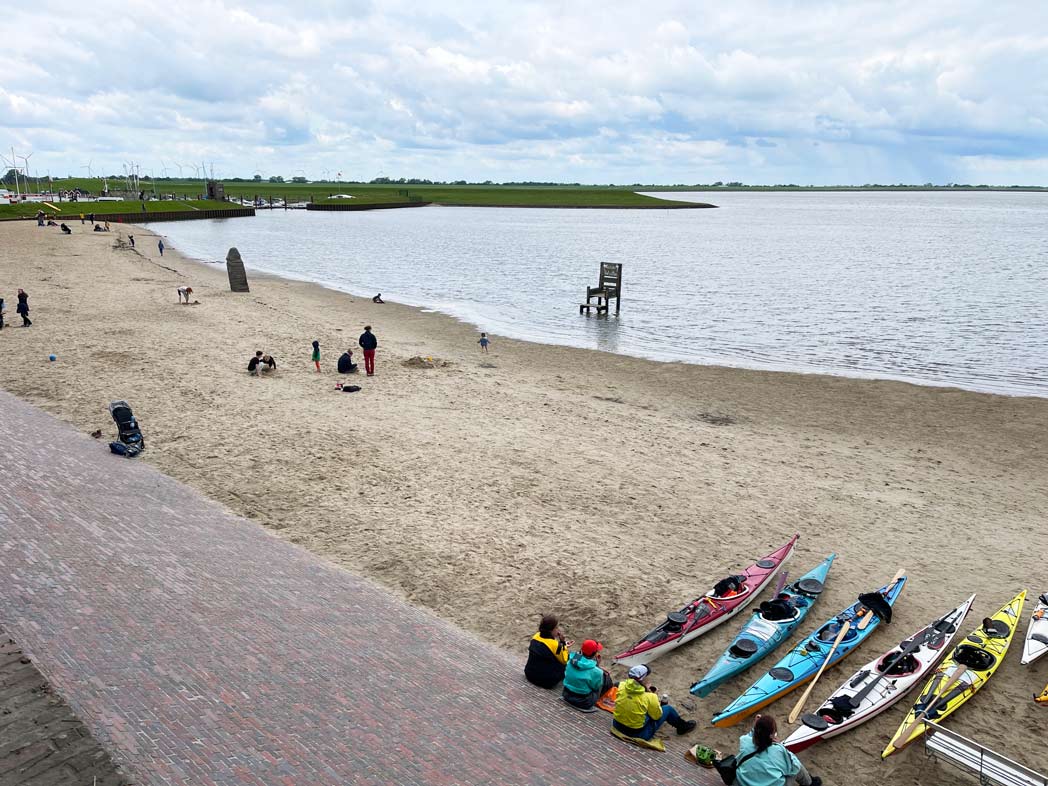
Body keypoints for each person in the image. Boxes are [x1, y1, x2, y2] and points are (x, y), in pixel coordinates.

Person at [723, 714, 821, 786]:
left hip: (740, 782)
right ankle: (810, 783)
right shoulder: (778, 751)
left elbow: (751, 736)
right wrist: (780, 746)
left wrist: (756, 726)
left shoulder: (744, 741)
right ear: (772, 735)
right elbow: (793, 765)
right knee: (796, 766)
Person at [612, 664, 696, 740]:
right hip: (638, 734)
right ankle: (683, 727)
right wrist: (651, 694)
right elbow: (657, 716)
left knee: (636, 707)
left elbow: (632, 697)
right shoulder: (650, 696)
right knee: (668, 709)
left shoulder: (621, 685)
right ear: (644, 679)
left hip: (617, 725)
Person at [562, 639, 613, 710]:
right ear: (595, 654)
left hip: (566, 694)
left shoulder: (572, 659)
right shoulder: (597, 671)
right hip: (584, 702)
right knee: (606, 678)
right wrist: (597, 666)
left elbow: (579, 662)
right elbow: (595, 687)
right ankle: (598, 701)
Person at [524, 614, 571, 688]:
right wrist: (563, 643)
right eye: (556, 627)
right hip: (547, 681)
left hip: (529, 674)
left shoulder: (536, 636)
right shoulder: (555, 645)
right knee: (568, 661)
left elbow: (549, 646)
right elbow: (564, 660)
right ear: (550, 630)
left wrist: (561, 646)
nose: (558, 630)